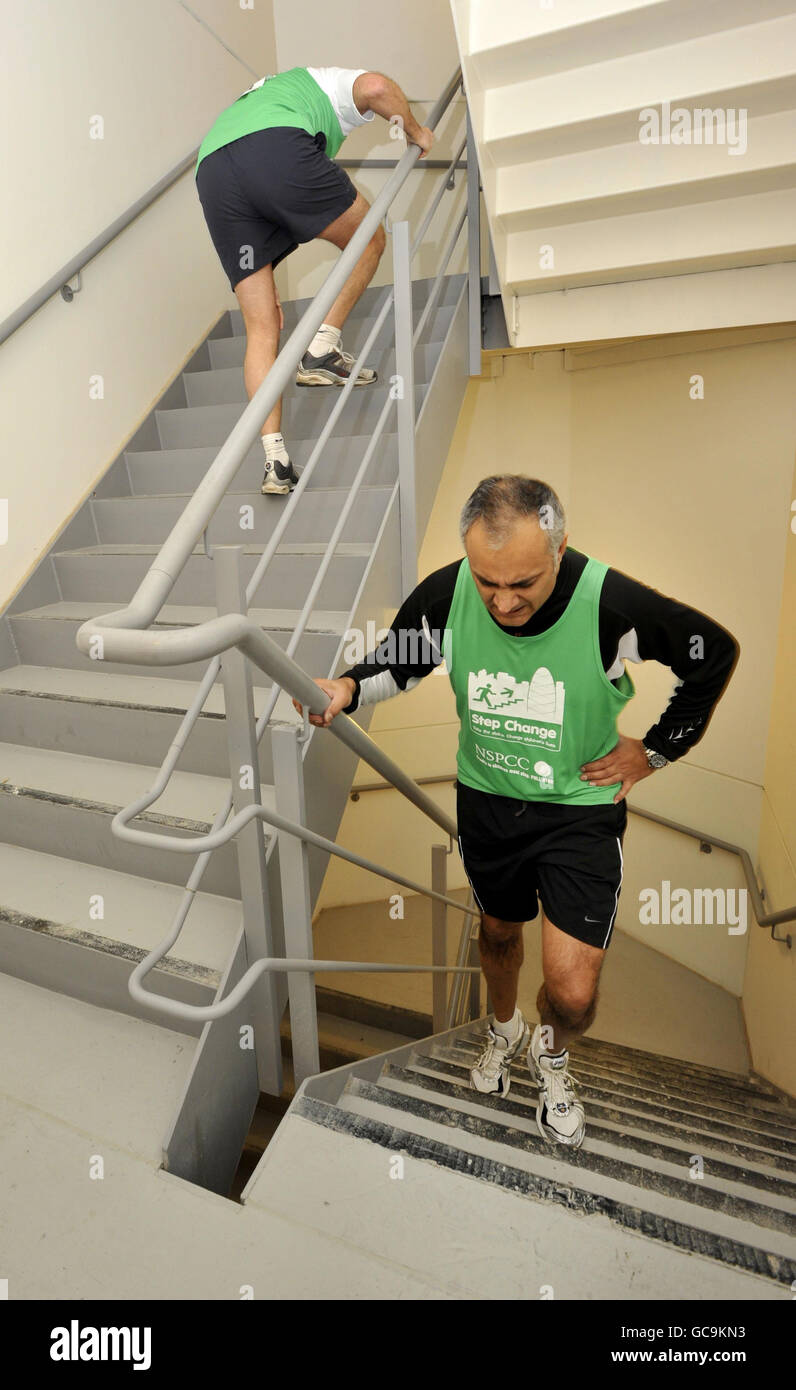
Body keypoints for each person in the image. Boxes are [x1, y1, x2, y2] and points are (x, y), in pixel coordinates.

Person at [294, 476, 740, 1149]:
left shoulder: (607, 603)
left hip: (579, 811)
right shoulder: (449, 593)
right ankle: (504, 1030)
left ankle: (551, 1053)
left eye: (523, 583)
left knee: (575, 990)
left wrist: (654, 752)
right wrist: (348, 687)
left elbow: (713, 653)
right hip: (488, 803)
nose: (503, 601)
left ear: (559, 550)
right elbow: (401, 663)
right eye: (487, 581)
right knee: (499, 935)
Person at [195, 66, 433, 494]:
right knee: (370, 238)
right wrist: (416, 131)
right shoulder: (331, 85)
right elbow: (376, 86)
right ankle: (321, 348)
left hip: (213, 171)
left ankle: (275, 460)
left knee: (262, 324)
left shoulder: (269, 95)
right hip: (272, 145)